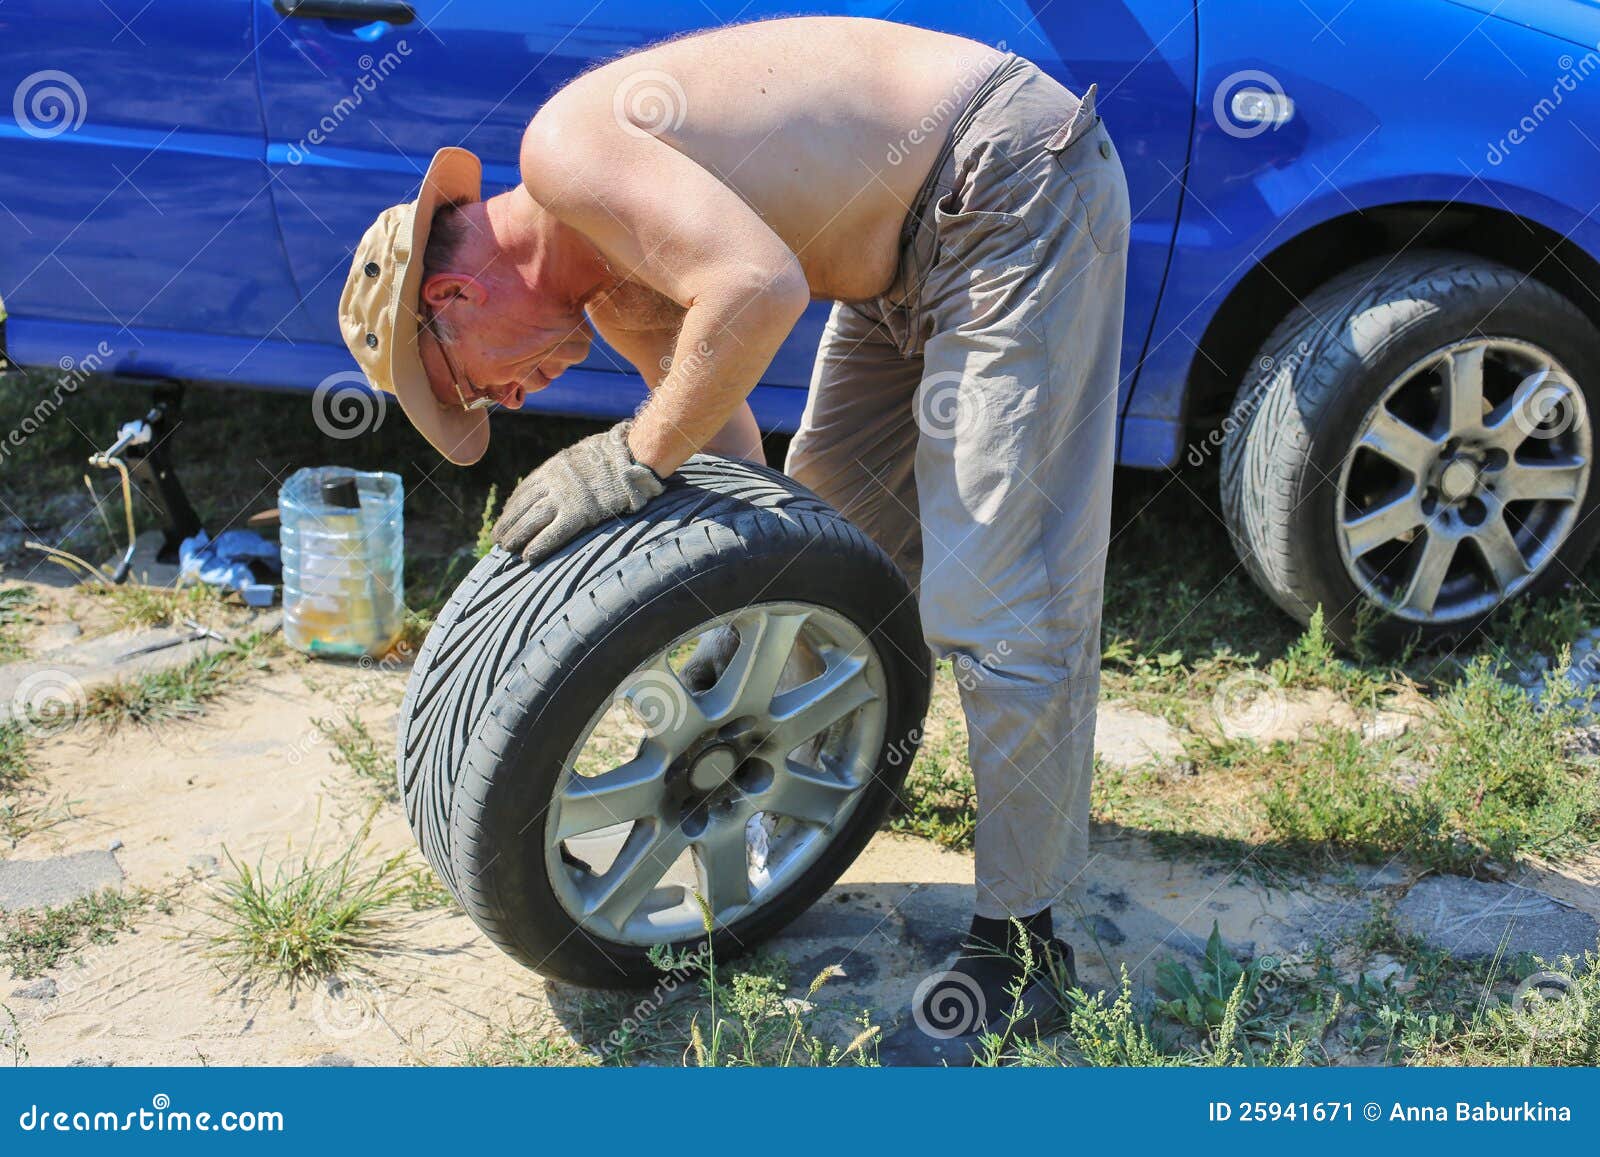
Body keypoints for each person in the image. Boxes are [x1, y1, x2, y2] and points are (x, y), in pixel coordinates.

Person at [339, 15, 1129, 1064]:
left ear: (452, 294)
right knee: (815, 551)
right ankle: (794, 797)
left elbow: (759, 288)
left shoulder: (563, 149)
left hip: (1006, 182)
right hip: (902, 256)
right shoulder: (611, 282)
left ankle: (1023, 950)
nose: (509, 398)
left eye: (471, 383)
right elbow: (730, 458)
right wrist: (722, 627)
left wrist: (628, 458)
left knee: (995, 595)